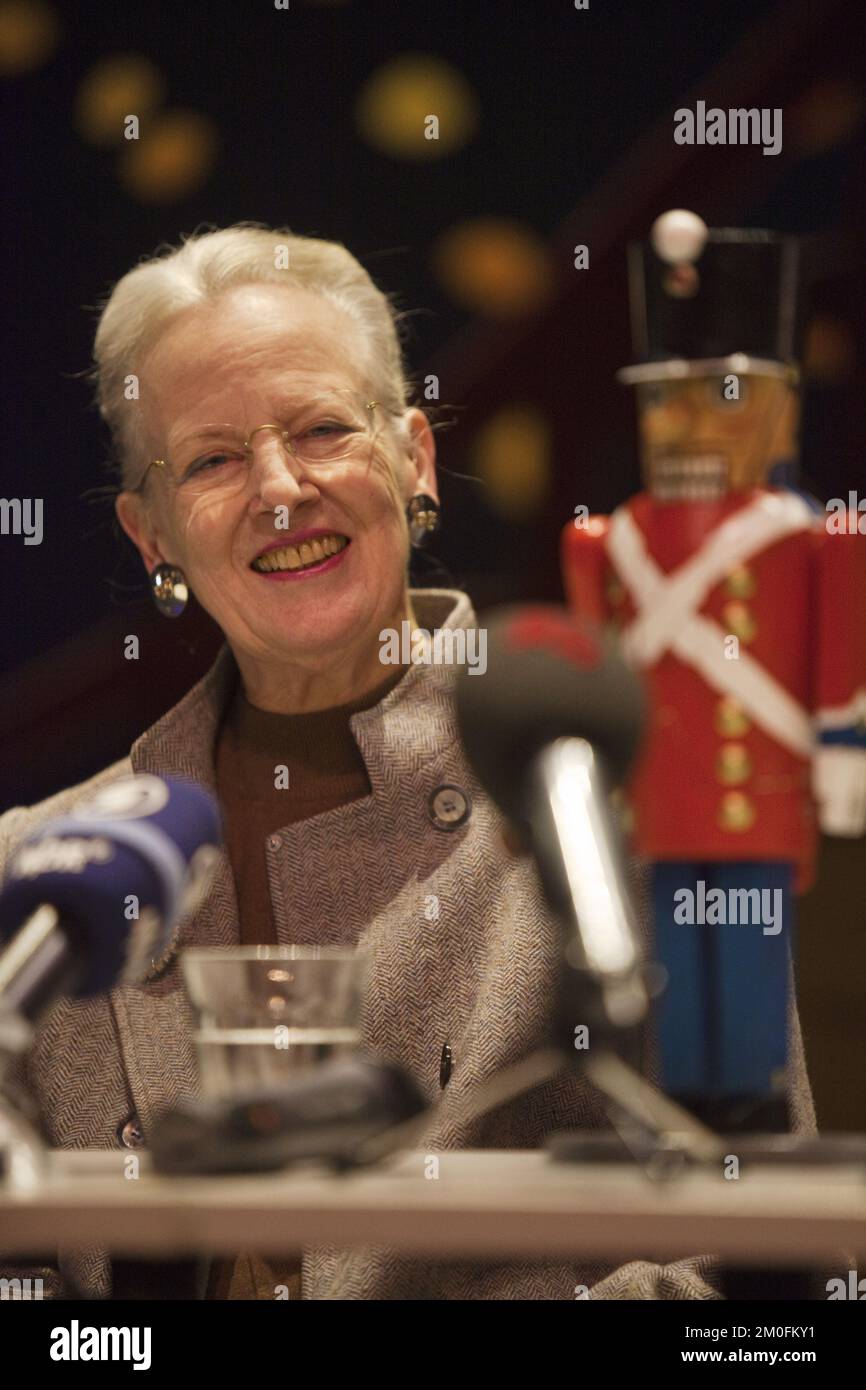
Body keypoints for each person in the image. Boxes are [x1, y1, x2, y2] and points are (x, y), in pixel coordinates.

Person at [0, 224, 816, 1300]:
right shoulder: (42, 872)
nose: (280, 488)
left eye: (322, 430)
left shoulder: (608, 805)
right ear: (152, 537)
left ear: (414, 460)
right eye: (211, 459)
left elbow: (763, 1267)